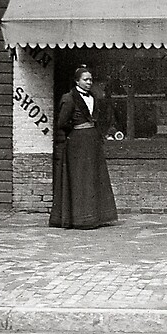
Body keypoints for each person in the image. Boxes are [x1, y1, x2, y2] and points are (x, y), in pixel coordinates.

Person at [49, 66, 118, 230]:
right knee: (79, 179)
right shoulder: (69, 98)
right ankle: (79, 218)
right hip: (77, 144)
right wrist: (76, 132)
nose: (89, 83)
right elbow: (62, 123)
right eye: (85, 80)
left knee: (92, 177)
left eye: (90, 80)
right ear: (77, 81)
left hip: (92, 142)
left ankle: (94, 217)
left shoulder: (93, 97)